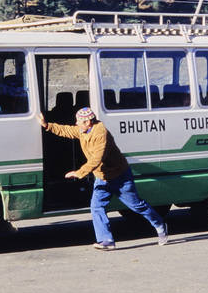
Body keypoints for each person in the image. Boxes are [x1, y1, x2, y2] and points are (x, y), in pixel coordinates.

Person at [39, 107, 168, 250]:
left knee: (136, 205)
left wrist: (79, 172)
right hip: (102, 177)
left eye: (79, 121)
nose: (76, 123)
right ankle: (106, 240)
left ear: (88, 122)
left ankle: (159, 224)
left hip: (119, 176)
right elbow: (67, 130)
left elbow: (96, 159)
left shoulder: (101, 134)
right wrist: (47, 126)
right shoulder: (83, 130)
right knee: (96, 206)